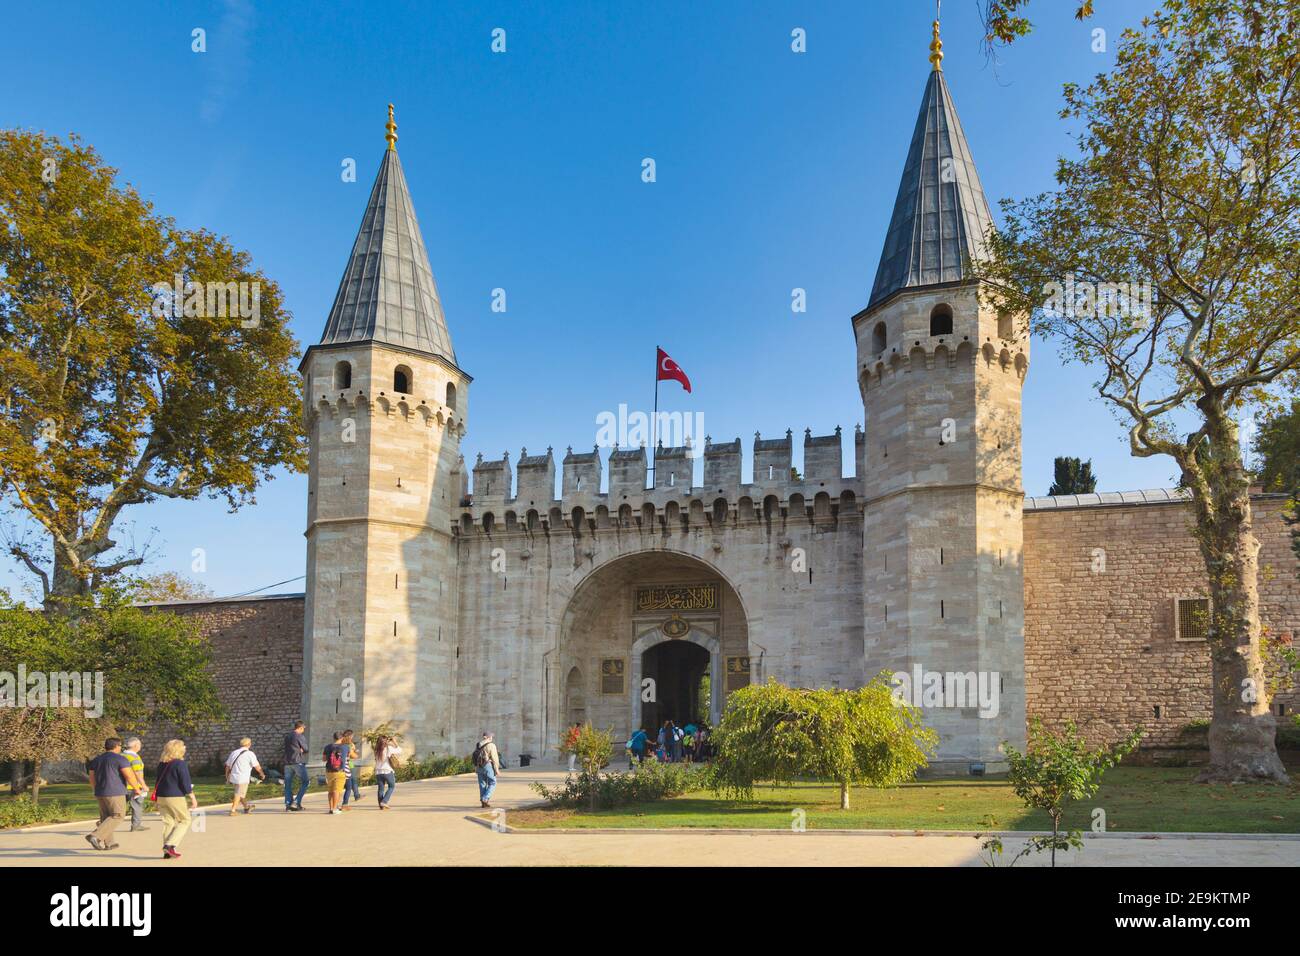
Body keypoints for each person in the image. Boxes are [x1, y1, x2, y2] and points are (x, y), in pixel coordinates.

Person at [85, 737, 141, 851]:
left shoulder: (96, 760)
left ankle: (109, 843)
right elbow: (129, 775)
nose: (121, 748)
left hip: (100, 792)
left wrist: (95, 789)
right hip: (115, 792)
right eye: (121, 746)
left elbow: (91, 777)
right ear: (116, 746)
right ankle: (95, 836)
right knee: (118, 816)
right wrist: (137, 788)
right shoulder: (120, 759)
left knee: (106, 818)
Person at [153, 739, 199, 859]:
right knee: (185, 820)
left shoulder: (162, 764)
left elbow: (157, 780)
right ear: (178, 749)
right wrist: (192, 797)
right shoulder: (179, 763)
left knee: (169, 822)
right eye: (183, 746)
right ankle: (170, 845)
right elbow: (185, 782)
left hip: (161, 796)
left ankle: (167, 852)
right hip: (175, 796)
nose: (185, 748)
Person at [224, 737, 265, 815]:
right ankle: (233, 810)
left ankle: (246, 807)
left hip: (234, 777)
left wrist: (227, 776)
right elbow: (257, 766)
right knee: (238, 793)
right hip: (242, 778)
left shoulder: (234, 752)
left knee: (240, 793)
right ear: (249, 744)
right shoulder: (250, 754)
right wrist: (261, 773)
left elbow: (227, 766)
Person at [282, 720, 309, 811]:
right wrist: (302, 750)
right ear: (300, 728)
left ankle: (288, 804)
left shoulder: (288, 736)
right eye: (303, 729)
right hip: (297, 762)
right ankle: (296, 802)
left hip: (287, 762)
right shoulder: (299, 736)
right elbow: (305, 748)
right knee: (306, 782)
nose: (303, 731)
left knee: (288, 784)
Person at [123, 737, 148, 832]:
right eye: (140, 744)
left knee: (118, 806)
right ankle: (136, 825)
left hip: (121, 786)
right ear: (135, 746)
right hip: (134, 786)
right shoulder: (134, 757)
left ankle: (104, 821)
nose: (140, 746)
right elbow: (137, 773)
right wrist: (143, 785)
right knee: (137, 805)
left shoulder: (121, 755)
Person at [373, 734, 402, 809]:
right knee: (391, 786)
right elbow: (399, 750)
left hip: (378, 772)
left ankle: (381, 805)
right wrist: (394, 742)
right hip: (387, 771)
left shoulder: (376, 749)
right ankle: (384, 802)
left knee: (380, 789)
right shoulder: (388, 748)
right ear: (385, 742)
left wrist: (388, 743)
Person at [323, 732, 349, 814]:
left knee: (330, 790)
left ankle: (331, 808)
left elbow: (324, 759)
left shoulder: (327, 747)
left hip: (329, 771)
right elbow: (350, 756)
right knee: (336, 790)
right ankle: (335, 808)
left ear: (333, 738)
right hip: (340, 771)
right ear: (341, 738)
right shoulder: (345, 747)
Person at [472, 732, 501, 808]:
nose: (492, 738)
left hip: (479, 766)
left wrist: (475, 767)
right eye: (491, 736)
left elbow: (475, 756)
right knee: (493, 782)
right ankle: (485, 799)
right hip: (487, 766)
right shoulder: (491, 745)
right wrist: (497, 768)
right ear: (488, 737)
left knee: (482, 784)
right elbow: (495, 758)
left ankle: (483, 802)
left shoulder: (478, 744)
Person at [340, 729, 361, 809]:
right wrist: (356, 753)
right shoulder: (349, 744)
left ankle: (356, 795)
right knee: (352, 780)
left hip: (346, 764)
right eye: (352, 736)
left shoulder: (340, 743)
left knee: (353, 780)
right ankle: (356, 796)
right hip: (348, 764)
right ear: (350, 736)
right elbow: (353, 755)